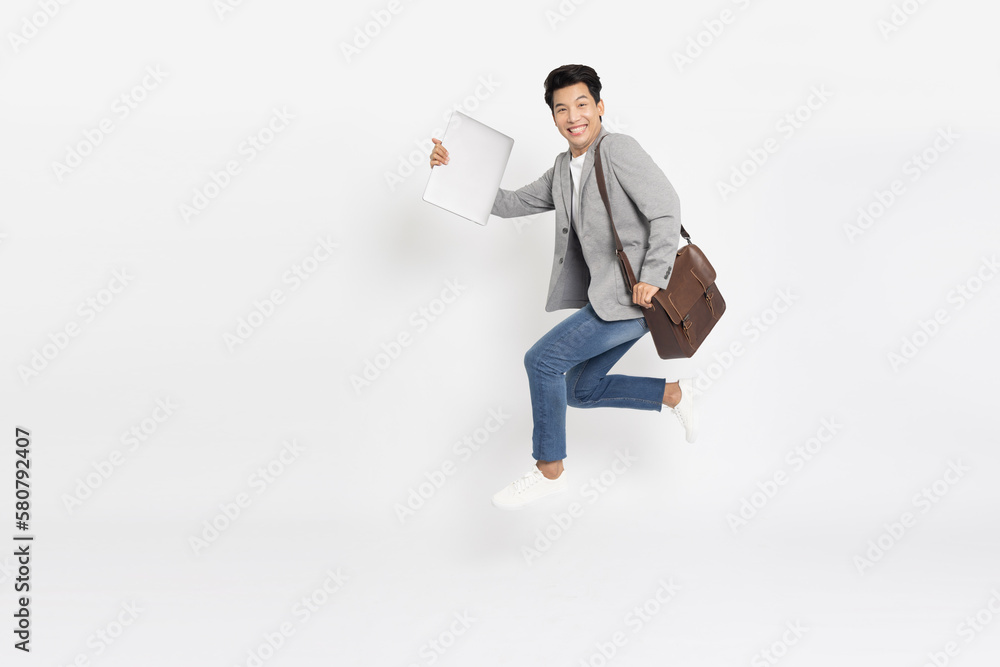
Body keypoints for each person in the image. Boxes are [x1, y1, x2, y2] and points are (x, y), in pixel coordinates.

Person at [428, 64, 696, 510]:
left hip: (633, 299)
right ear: (553, 117)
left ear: (600, 107)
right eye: (562, 109)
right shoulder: (561, 168)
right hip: (613, 299)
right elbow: (510, 204)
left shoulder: (617, 150)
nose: (573, 116)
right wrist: (453, 170)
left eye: (582, 104)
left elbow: (667, 208)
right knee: (580, 390)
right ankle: (674, 394)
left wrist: (653, 275)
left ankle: (549, 470)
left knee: (542, 361)